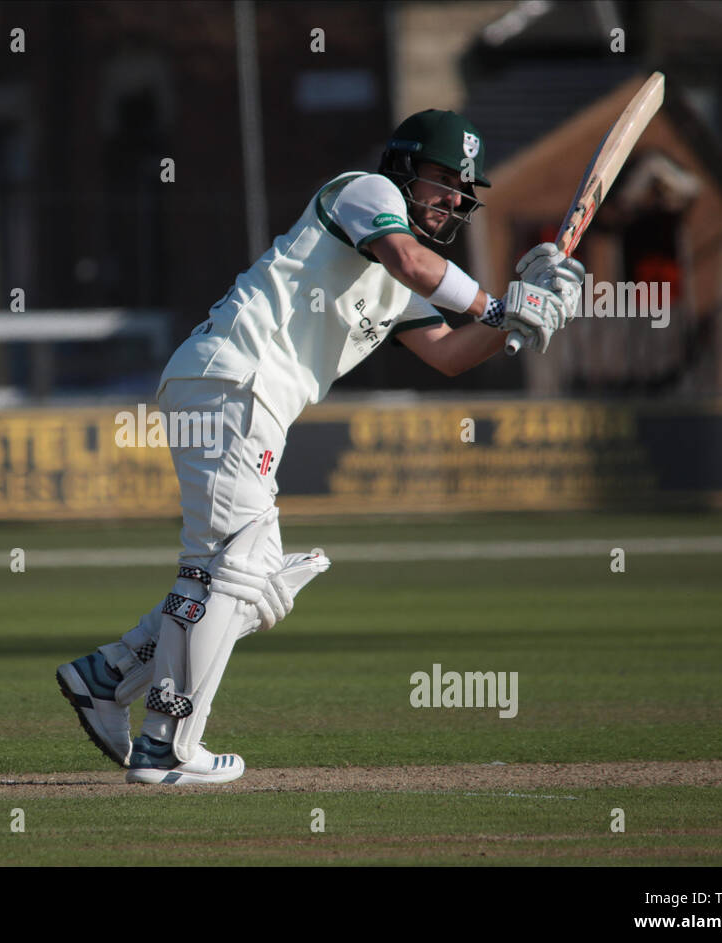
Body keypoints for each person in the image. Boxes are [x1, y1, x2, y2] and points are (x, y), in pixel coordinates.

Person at [57, 109, 585, 784]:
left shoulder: (404, 274)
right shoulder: (366, 193)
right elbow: (413, 262)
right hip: (234, 379)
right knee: (232, 567)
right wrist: (497, 305)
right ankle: (167, 747)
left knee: (254, 585)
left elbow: (450, 353)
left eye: (463, 190)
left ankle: (110, 676)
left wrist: (529, 309)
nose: (454, 198)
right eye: (443, 180)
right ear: (406, 166)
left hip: (240, 394)